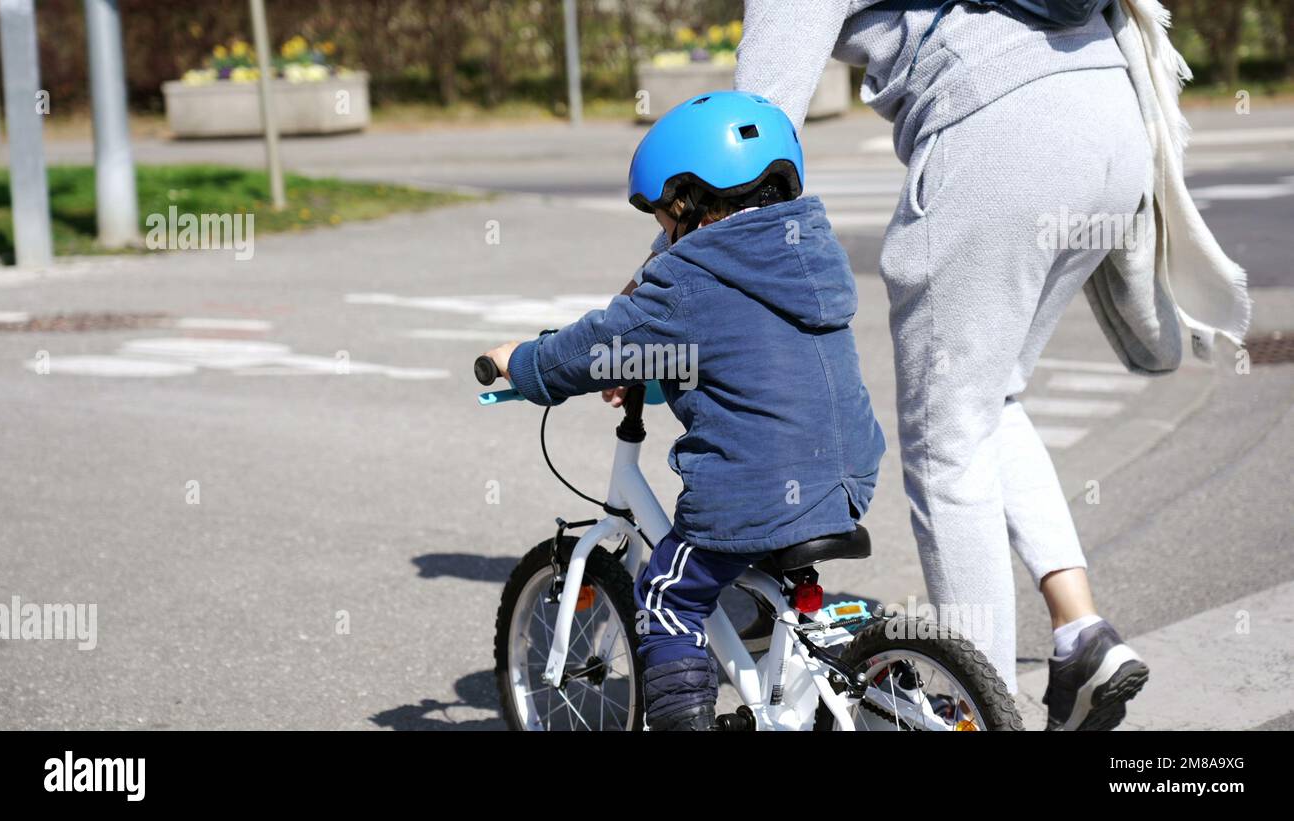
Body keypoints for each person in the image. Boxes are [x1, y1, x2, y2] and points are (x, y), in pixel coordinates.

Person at [730, 0, 1155, 730]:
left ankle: (972, 709)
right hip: (1108, 113)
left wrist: (660, 283)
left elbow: (744, 139)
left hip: (1002, 133)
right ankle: (1079, 629)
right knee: (987, 400)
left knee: (945, 444)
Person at [482, 91, 885, 730]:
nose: (661, 237)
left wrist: (524, 363)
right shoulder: (807, 252)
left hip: (753, 486)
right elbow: (747, 348)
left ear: (688, 203)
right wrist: (652, 361)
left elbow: (596, 345)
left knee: (666, 598)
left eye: (664, 220)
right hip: (847, 475)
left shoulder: (693, 277)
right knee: (757, 577)